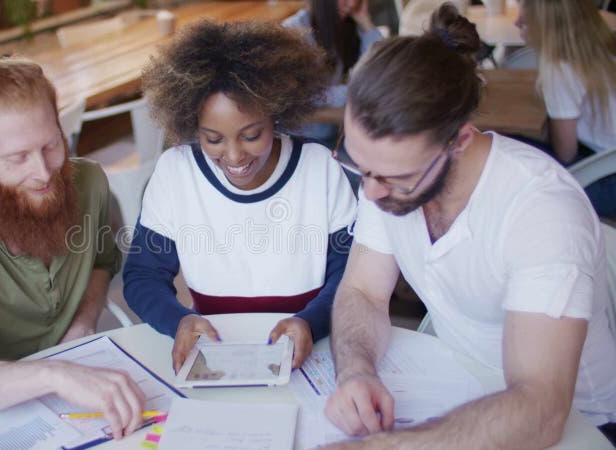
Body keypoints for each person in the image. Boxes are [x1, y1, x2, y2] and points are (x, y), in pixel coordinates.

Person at [323, 3, 616, 448]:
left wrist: (389, 445)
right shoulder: (385, 180)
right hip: (461, 390)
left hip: (579, 428)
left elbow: (540, 409)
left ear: (460, 139)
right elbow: (363, 290)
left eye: (393, 177)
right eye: (358, 166)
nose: (370, 193)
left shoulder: (541, 211)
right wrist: (357, 371)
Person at [0, 26, 146, 439]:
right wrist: (54, 373)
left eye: (52, 144)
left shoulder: (87, 181)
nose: (43, 172)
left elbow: (104, 260)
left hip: (78, 390)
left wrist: (83, 324)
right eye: (17, 158)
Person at [123, 20, 356, 372]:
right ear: (192, 124)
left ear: (275, 112)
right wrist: (179, 321)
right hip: (218, 355)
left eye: (251, 135)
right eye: (213, 139)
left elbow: (351, 271)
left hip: (312, 350)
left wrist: (312, 321)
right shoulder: (176, 172)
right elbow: (142, 276)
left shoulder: (318, 167)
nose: (234, 156)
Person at [515, 0, 616, 217]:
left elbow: (566, 153)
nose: (516, 23)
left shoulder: (559, 68)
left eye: (524, 20)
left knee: (511, 151)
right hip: (609, 159)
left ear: (546, 25)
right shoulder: (605, 44)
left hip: (609, 182)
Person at [283, 0, 383, 145]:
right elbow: (304, 97)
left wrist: (365, 21)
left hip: (333, 133)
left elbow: (380, 67)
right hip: (304, 140)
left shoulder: (346, 24)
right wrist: (357, 91)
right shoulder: (294, 32)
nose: (352, 4)